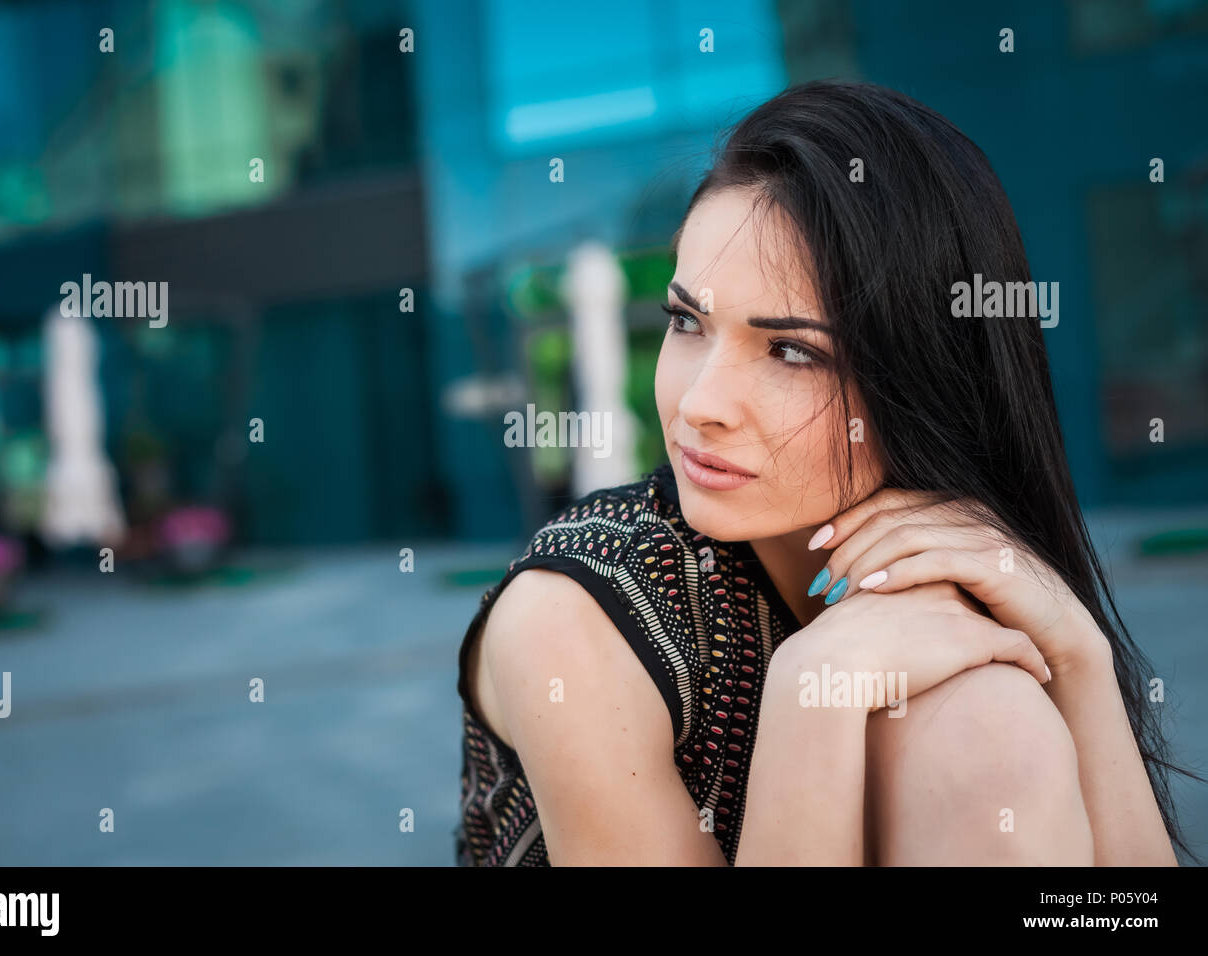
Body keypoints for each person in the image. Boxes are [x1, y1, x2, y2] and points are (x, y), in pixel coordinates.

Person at [453, 80, 1196, 866]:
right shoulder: (579, 613)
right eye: (686, 321)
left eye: (791, 351)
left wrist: (1078, 656)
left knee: (990, 720)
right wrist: (814, 700)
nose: (700, 404)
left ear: (920, 377)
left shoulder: (955, 569)